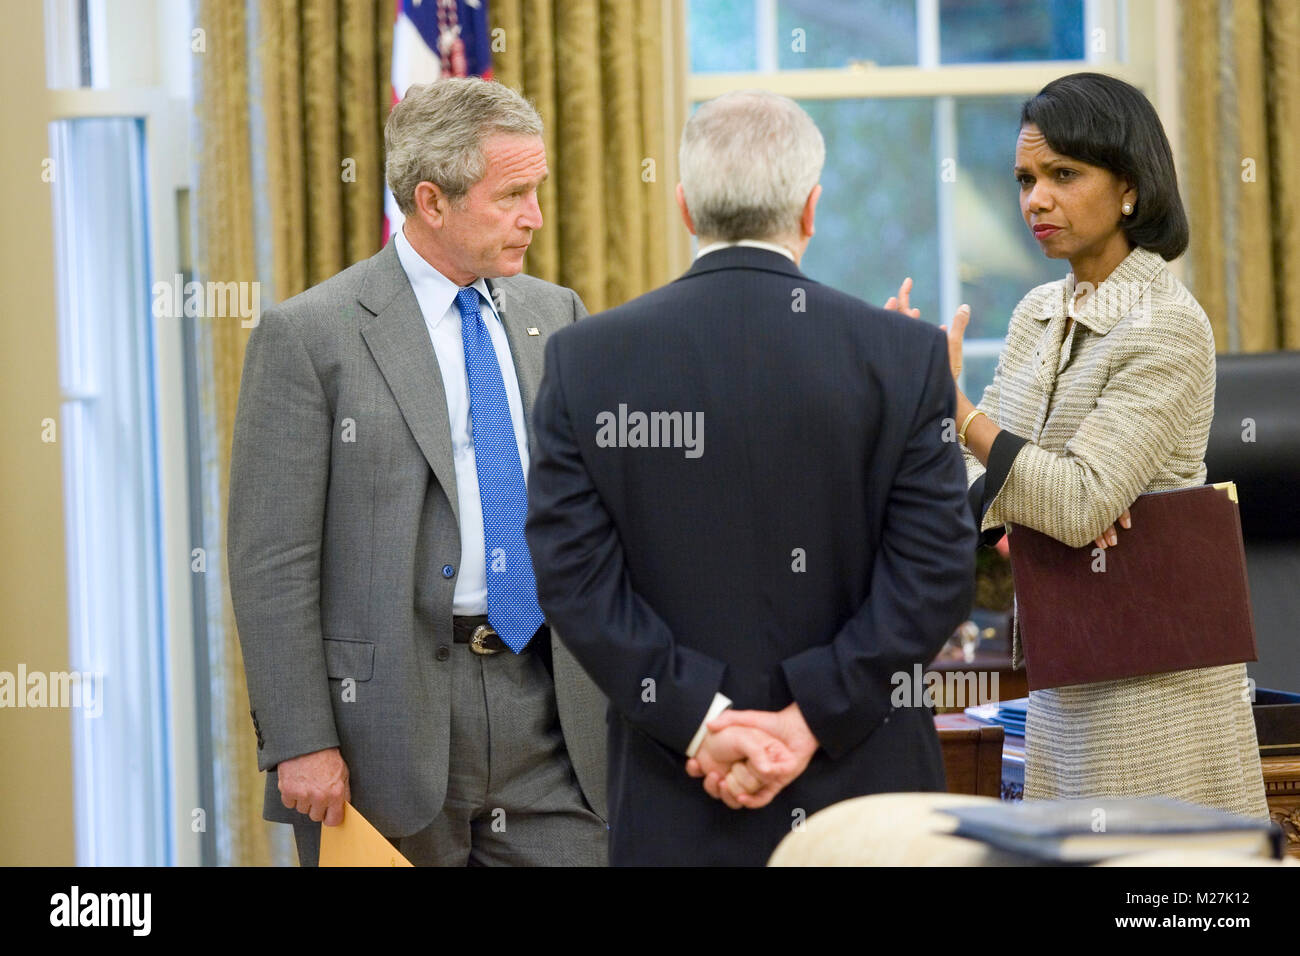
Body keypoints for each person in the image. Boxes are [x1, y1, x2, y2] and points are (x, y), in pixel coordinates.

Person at [524, 89, 977, 866]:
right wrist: (807, 722)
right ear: (810, 209)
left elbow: (573, 583)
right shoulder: (905, 357)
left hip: (679, 791)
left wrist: (708, 723)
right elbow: (936, 574)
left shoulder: (585, 360)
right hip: (865, 795)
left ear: (683, 208)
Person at [227, 77, 609, 866]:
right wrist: (300, 739)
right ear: (432, 201)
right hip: (382, 734)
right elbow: (273, 562)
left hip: (551, 712)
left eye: (535, 191)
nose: (535, 216)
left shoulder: (556, 313)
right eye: (512, 195)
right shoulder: (310, 337)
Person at [887, 72, 1268, 818]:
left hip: (1158, 688)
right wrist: (930, 414)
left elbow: (1076, 500)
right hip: (1061, 671)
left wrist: (958, 408)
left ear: (1129, 186)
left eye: (1064, 175)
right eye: (1027, 178)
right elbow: (983, 480)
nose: (1036, 200)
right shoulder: (1037, 313)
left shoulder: (1165, 322)